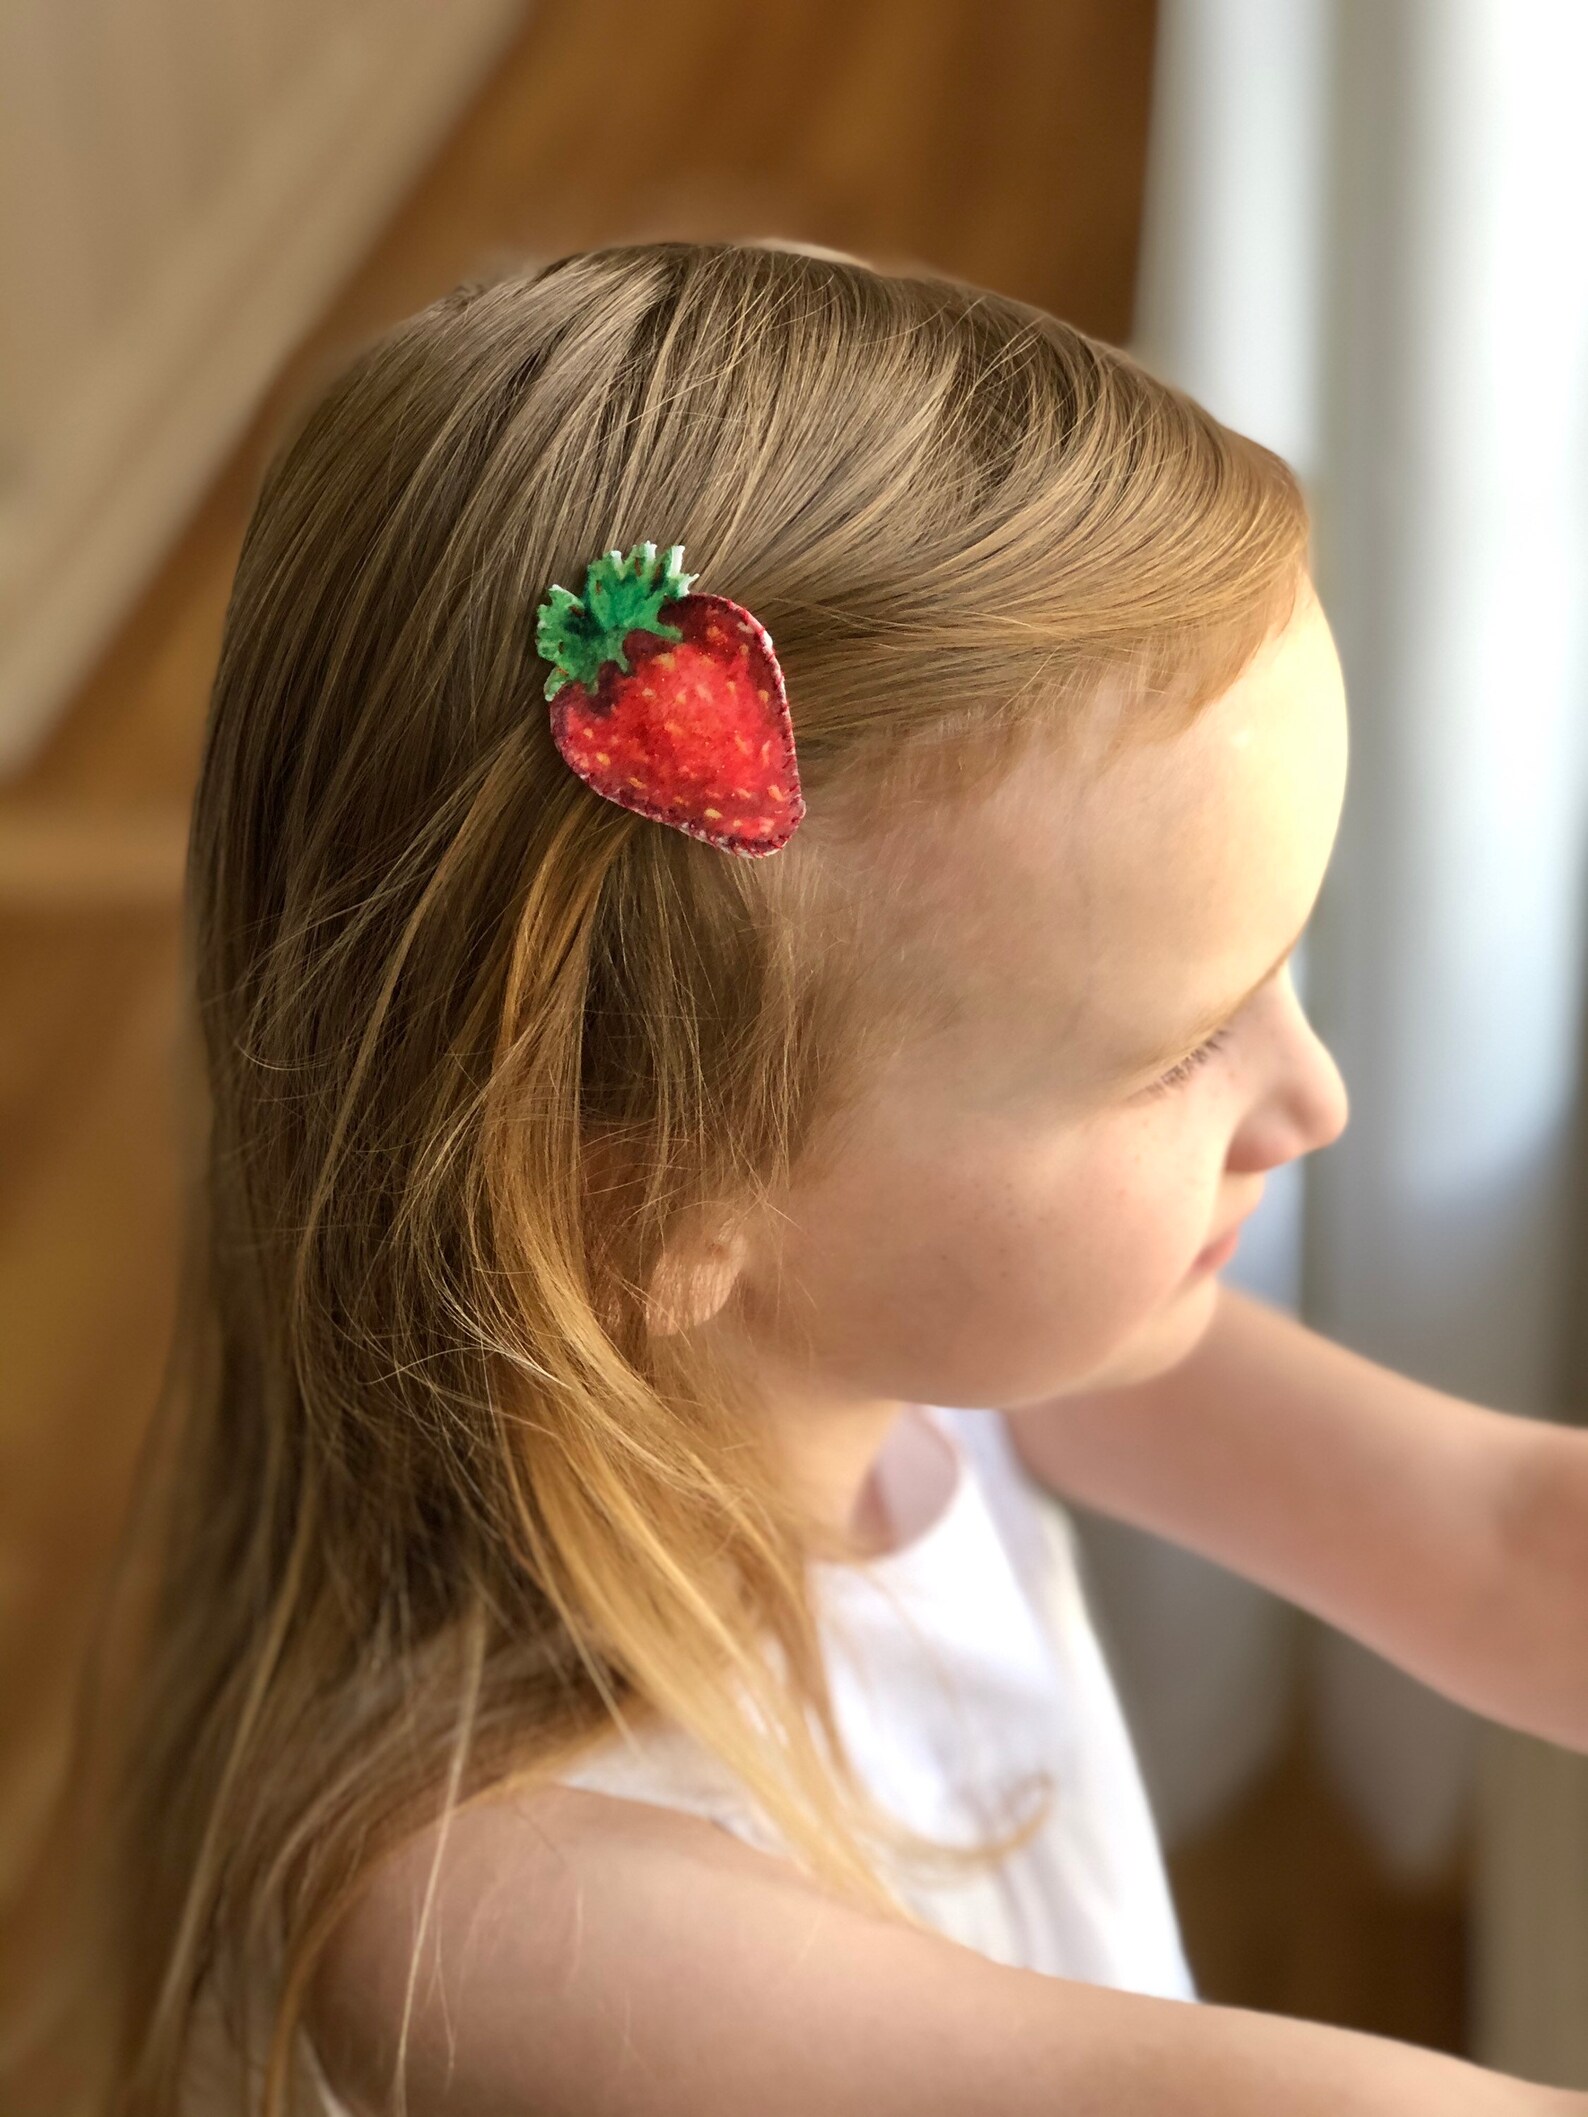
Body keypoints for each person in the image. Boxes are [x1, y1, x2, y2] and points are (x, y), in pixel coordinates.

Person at [31, 242, 1588, 2116]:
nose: (1309, 1098)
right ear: (652, 1206)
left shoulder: (932, 1350)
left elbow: (1507, 1542)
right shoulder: (494, 1914)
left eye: (1281, 973)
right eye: (1180, 1048)